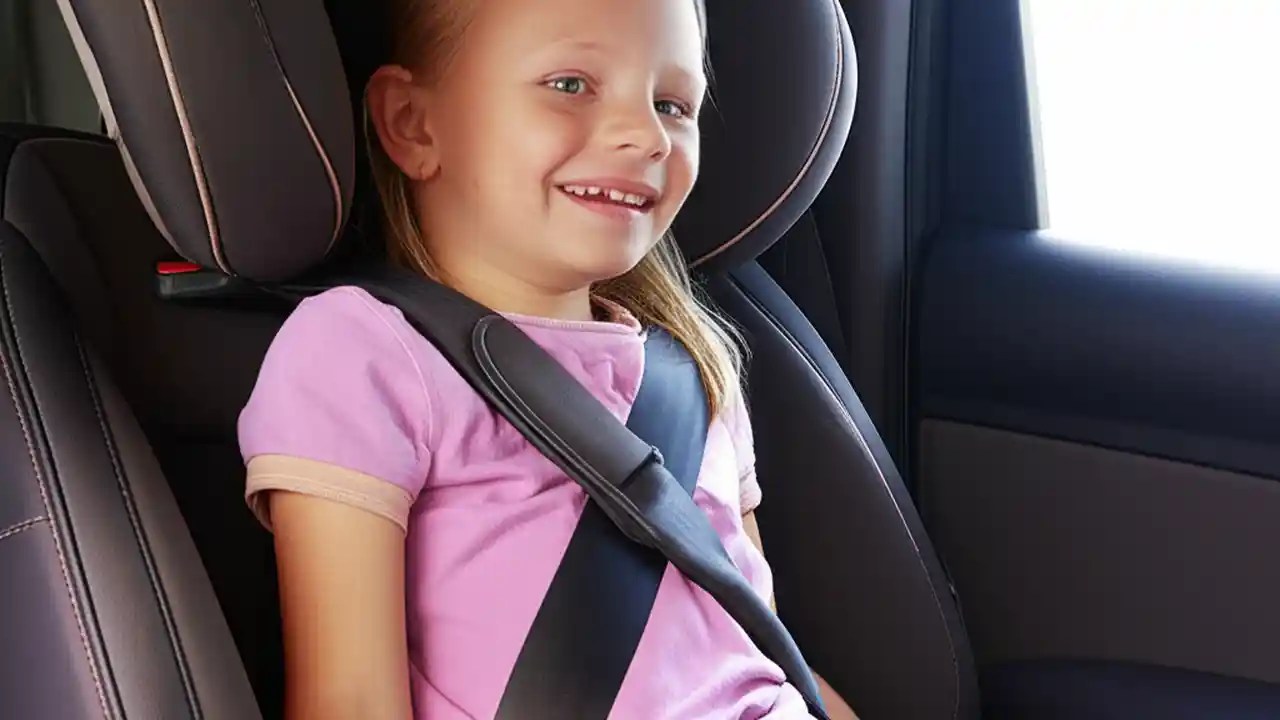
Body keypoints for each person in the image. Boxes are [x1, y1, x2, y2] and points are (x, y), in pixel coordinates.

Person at [238, 0, 859, 717]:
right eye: (570, 84)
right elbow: (348, 701)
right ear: (414, 123)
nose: (646, 134)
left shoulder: (694, 365)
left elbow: (758, 652)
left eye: (672, 104)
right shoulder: (363, 351)